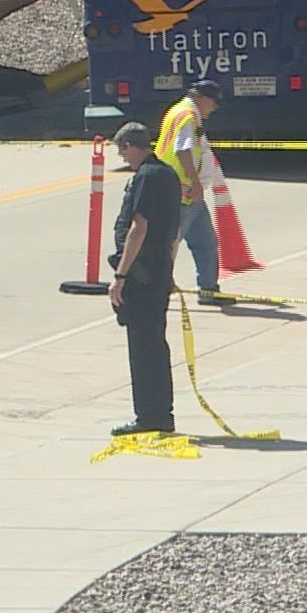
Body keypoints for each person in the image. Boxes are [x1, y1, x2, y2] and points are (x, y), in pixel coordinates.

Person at [106, 121, 180, 436]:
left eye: (122, 151)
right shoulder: (168, 174)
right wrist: (169, 271)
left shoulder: (147, 177)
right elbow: (174, 232)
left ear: (129, 146)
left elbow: (138, 229)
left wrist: (121, 275)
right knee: (155, 344)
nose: (123, 158)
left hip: (142, 275)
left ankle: (149, 416)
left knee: (143, 346)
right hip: (159, 270)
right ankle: (160, 413)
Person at [153, 80, 223, 305]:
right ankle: (159, 289)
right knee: (171, 243)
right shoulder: (188, 116)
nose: (214, 109)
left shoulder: (179, 110)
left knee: (206, 242)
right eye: (213, 103)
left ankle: (209, 290)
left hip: (188, 193)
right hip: (182, 192)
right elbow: (182, 150)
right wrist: (194, 182)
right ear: (202, 99)